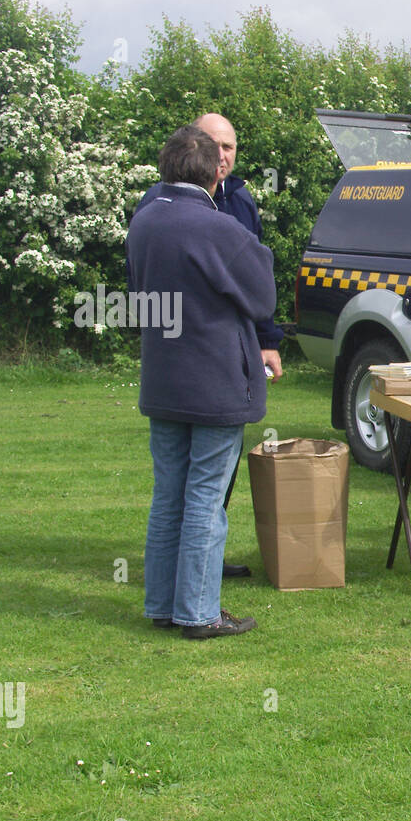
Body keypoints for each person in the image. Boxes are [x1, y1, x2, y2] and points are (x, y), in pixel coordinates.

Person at [129, 125, 277, 636]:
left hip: (164, 378)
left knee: (169, 495)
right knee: (205, 501)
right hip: (214, 379)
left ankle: (162, 605)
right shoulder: (219, 229)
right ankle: (197, 613)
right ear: (216, 171)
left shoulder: (145, 222)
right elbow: (262, 298)